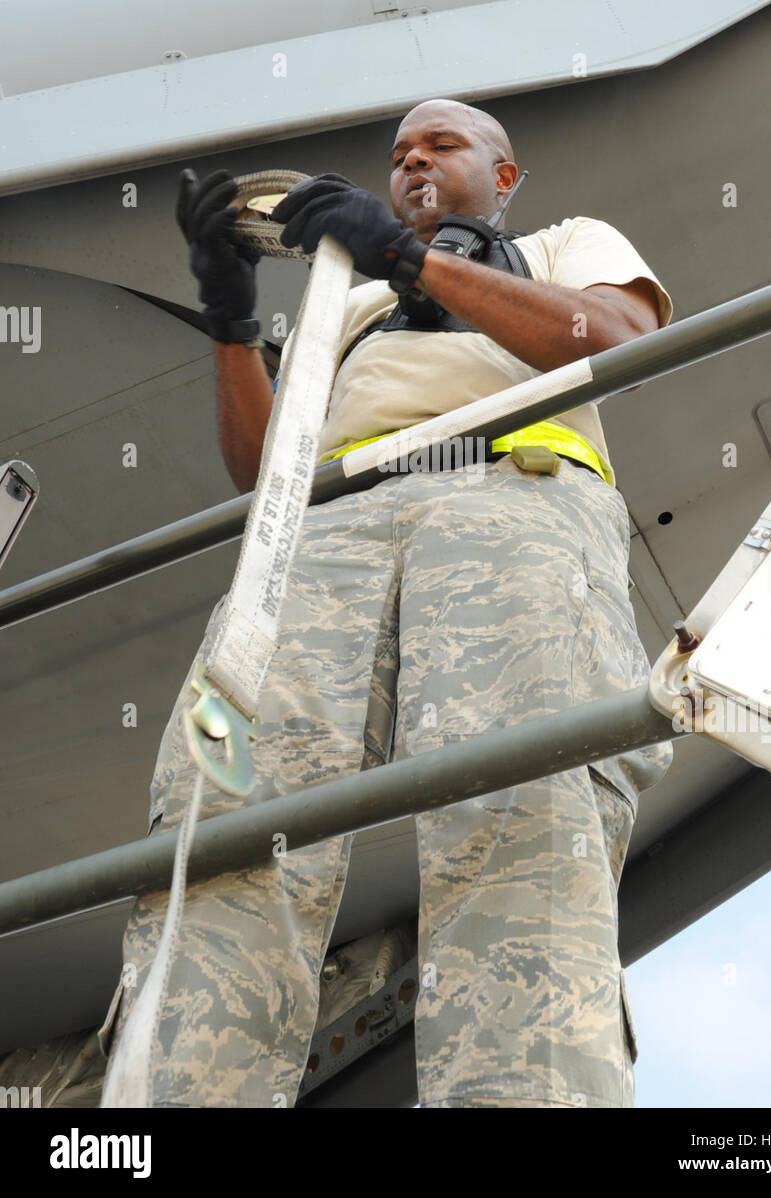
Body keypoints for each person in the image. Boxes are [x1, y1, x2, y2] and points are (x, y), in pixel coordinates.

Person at [99, 98, 674, 1109]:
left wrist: (415, 266)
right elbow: (261, 469)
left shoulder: (556, 242)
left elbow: (616, 335)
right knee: (229, 822)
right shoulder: (344, 305)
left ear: (502, 175)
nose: (411, 165)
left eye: (439, 147)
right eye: (397, 155)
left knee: (517, 803)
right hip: (322, 532)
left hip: (509, 499)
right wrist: (231, 320)